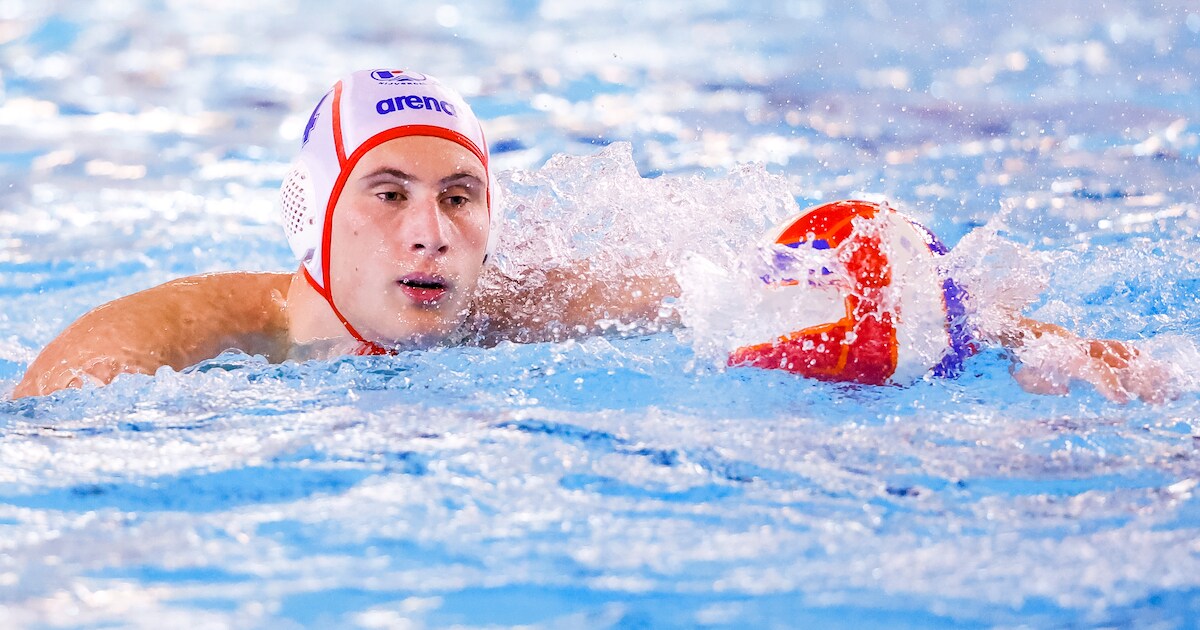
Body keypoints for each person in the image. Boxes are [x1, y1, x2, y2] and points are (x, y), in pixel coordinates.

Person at [10, 69, 1167, 403]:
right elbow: (46, 431)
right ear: (318, 219)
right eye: (389, 192)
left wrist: (1024, 332)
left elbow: (790, 278)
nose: (430, 233)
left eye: (461, 196)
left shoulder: (519, 308)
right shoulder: (217, 328)